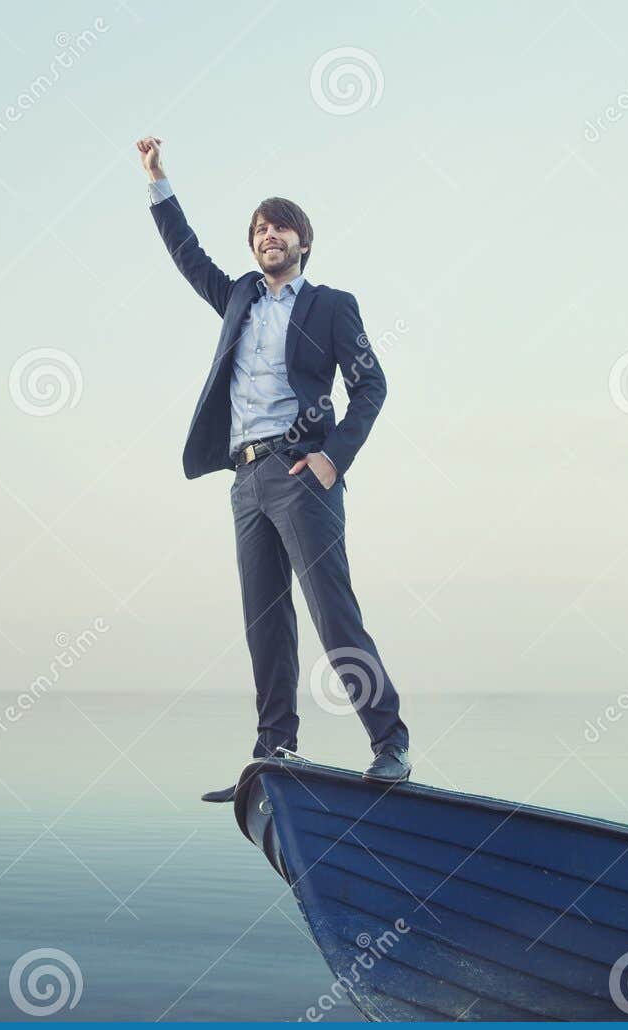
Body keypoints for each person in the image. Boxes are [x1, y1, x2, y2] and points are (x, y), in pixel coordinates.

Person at [135, 136, 411, 801]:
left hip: (300, 476)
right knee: (265, 623)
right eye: (260, 229)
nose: (269, 236)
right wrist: (158, 181)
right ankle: (275, 752)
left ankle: (390, 744)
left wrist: (331, 459)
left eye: (280, 227)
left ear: (302, 242)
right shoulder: (238, 298)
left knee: (332, 613)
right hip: (245, 479)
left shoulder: (331, 305)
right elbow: (187, 254)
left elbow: (370, 386)